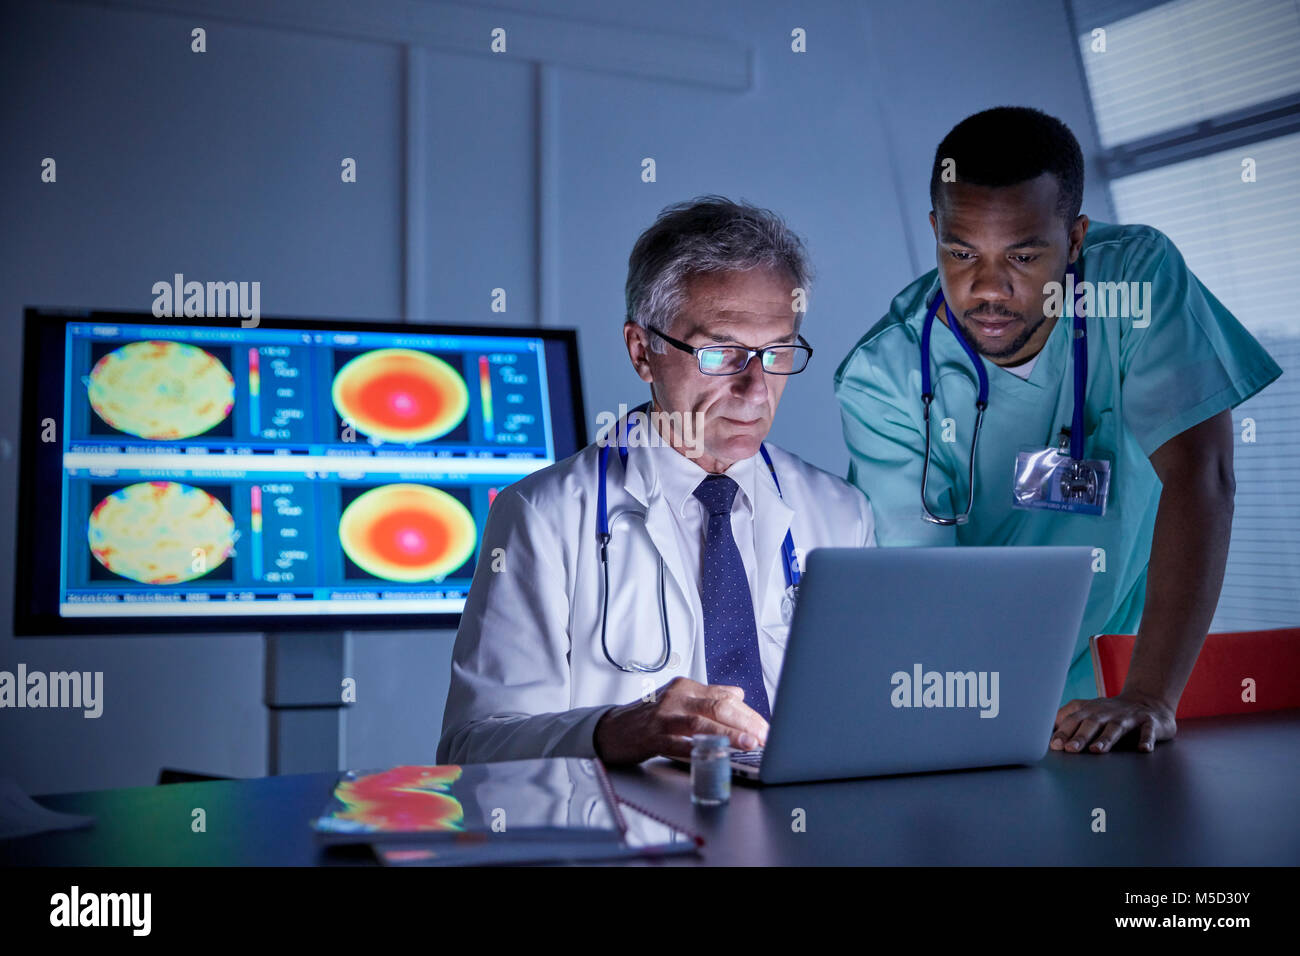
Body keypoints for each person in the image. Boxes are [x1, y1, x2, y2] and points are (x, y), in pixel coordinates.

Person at [835, 106, 1281, 756]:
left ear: (1074, 240)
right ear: (934, 231)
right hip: (976, 702)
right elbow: (919, 586)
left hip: (1128, 693)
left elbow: (1201, 474)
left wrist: (1150, 695)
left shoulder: (1133, 279)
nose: (989, 288)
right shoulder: (888, 372)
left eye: (1022, 254)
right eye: (961, 252)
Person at [439, 196, 876, 766]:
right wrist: (615, 732)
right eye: (722, 353)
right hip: (635, 845)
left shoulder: (842, 513)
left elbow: (868, 716)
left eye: (777, 352)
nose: (756, 389)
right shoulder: (542, 515)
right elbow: (471, 749)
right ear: (642, 351)